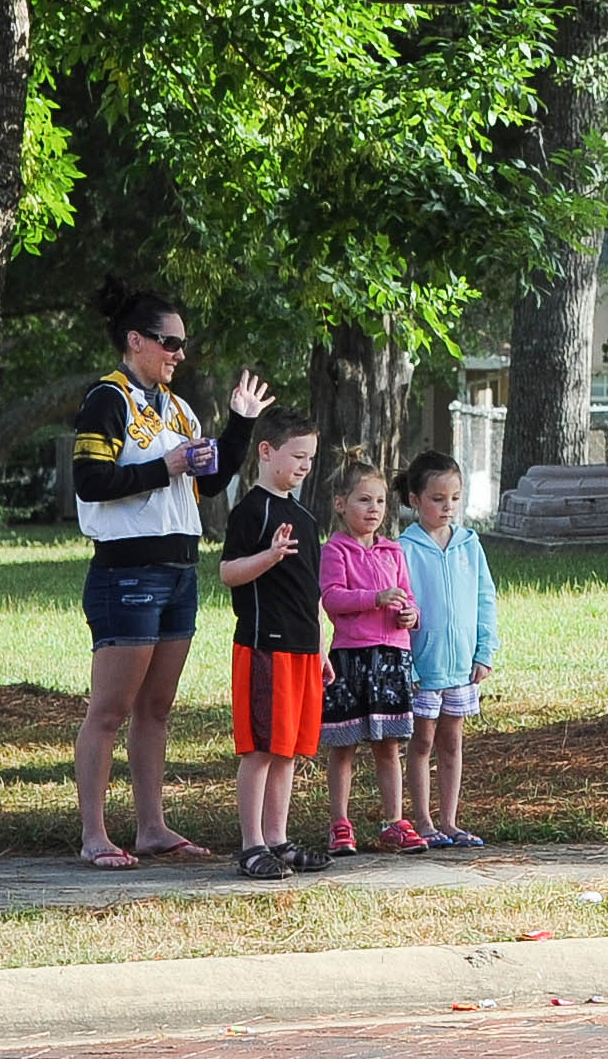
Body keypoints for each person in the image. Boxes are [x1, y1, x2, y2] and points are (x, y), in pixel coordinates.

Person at [69, 281, 267, 870]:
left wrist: (237, 426)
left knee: (157, 708)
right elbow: (91, 482)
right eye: (169, 342)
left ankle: (152, 827)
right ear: (136, 341)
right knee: (110, 708)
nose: (180, 353)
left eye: (182, 344)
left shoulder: (178, 408)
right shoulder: (107, 399)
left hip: (180, 568)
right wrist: (166, 465)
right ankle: (95, 835)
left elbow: (207, 484)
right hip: (126, 571)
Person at [218, 405, 328, 880]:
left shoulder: (303, 515)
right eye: (297, 455)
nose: (304, 465)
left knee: (287, 749)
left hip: (303, 648)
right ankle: (251, 845)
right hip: (266, 645)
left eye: (310, 457)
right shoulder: (250, 510)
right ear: (266, 451)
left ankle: (278, 839)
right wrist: (268, 556)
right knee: (260, 748)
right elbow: (228, 573)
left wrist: (321, 648)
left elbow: (312, 589)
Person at [318, 466, 427, 854]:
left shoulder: (393, 550)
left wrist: (409, 614)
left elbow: (408, 597)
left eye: (380, 501)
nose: (373, 509)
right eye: (364, 500)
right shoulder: (334, 550)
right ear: (340, 504)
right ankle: (340, 823)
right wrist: (375, 597)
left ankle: (394, 820)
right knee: (343, 744)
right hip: (351, 658)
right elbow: (332, 598)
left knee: (389, 747)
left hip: (392, 657)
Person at [396, 452, 499, 851]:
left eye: (454, 498)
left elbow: (485, 598)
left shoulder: (470, 545)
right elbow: (400, 610)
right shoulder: (403, 549)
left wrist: (484, 650)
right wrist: (408, 663)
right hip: (424, 666)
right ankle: (421, 821)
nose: (447, 507)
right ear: (415, 499)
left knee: (452, 742)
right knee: (421, 743)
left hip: (462, 666)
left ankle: (450, 821)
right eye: (438, 498)